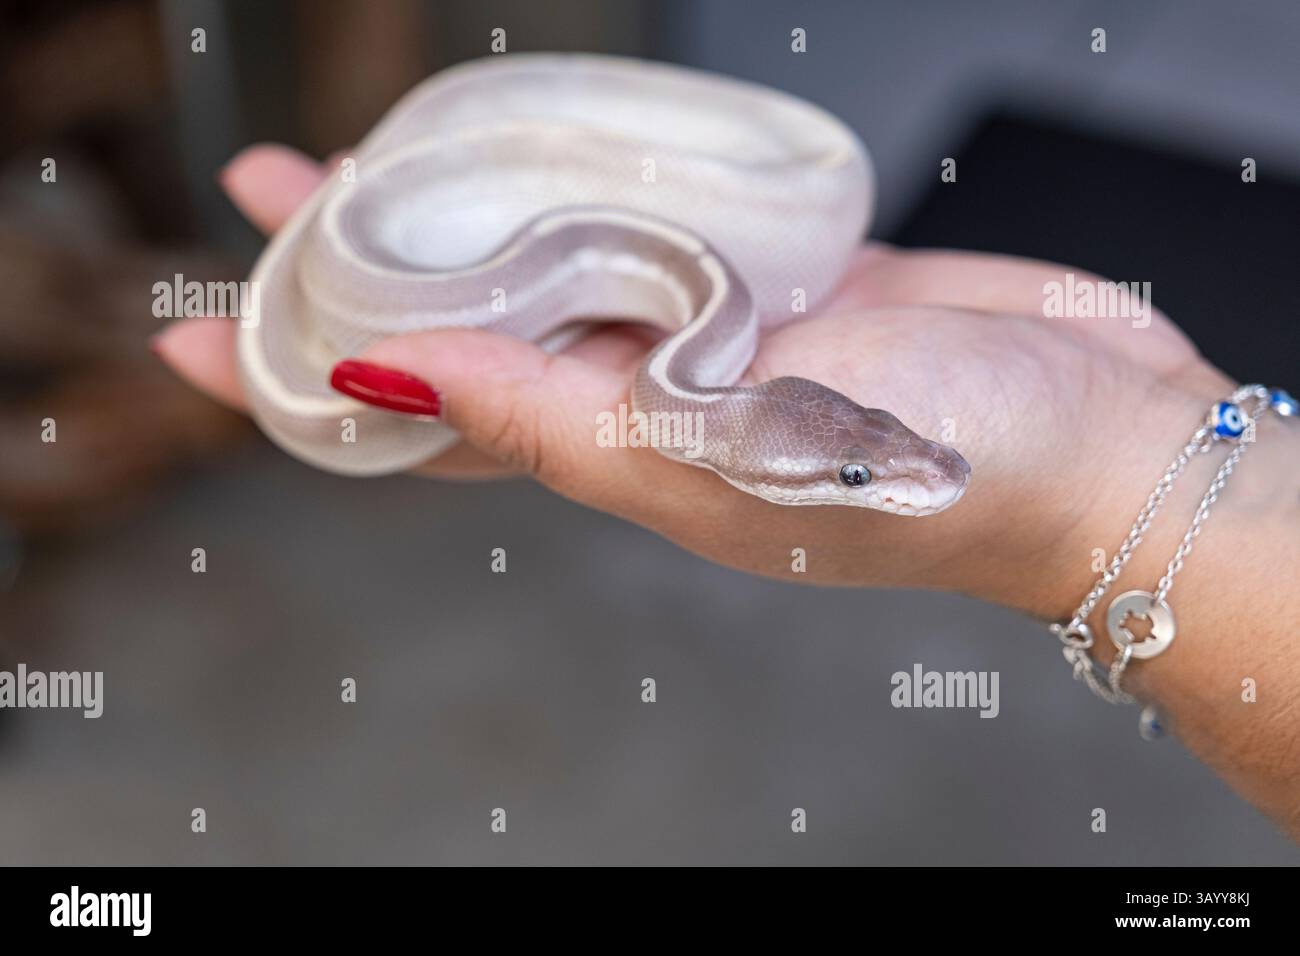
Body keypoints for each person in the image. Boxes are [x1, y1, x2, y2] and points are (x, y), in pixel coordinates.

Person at [155, 145, 1300, 838]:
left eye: (873, 456)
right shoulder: (697, 384)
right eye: (858, 475)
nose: (909, 477)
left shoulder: (719, 363)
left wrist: (1097, 464)